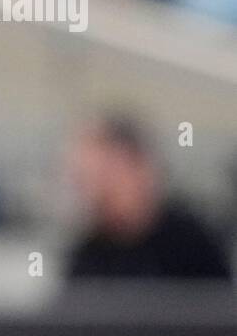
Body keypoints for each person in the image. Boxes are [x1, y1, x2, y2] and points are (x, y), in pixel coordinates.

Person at [66, 114, 231, 280]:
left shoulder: (192, 244)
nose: (96, 192)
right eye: (87, 180)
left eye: (106, 176)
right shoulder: (87, 255)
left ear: (139, 167)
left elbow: (219, 300)